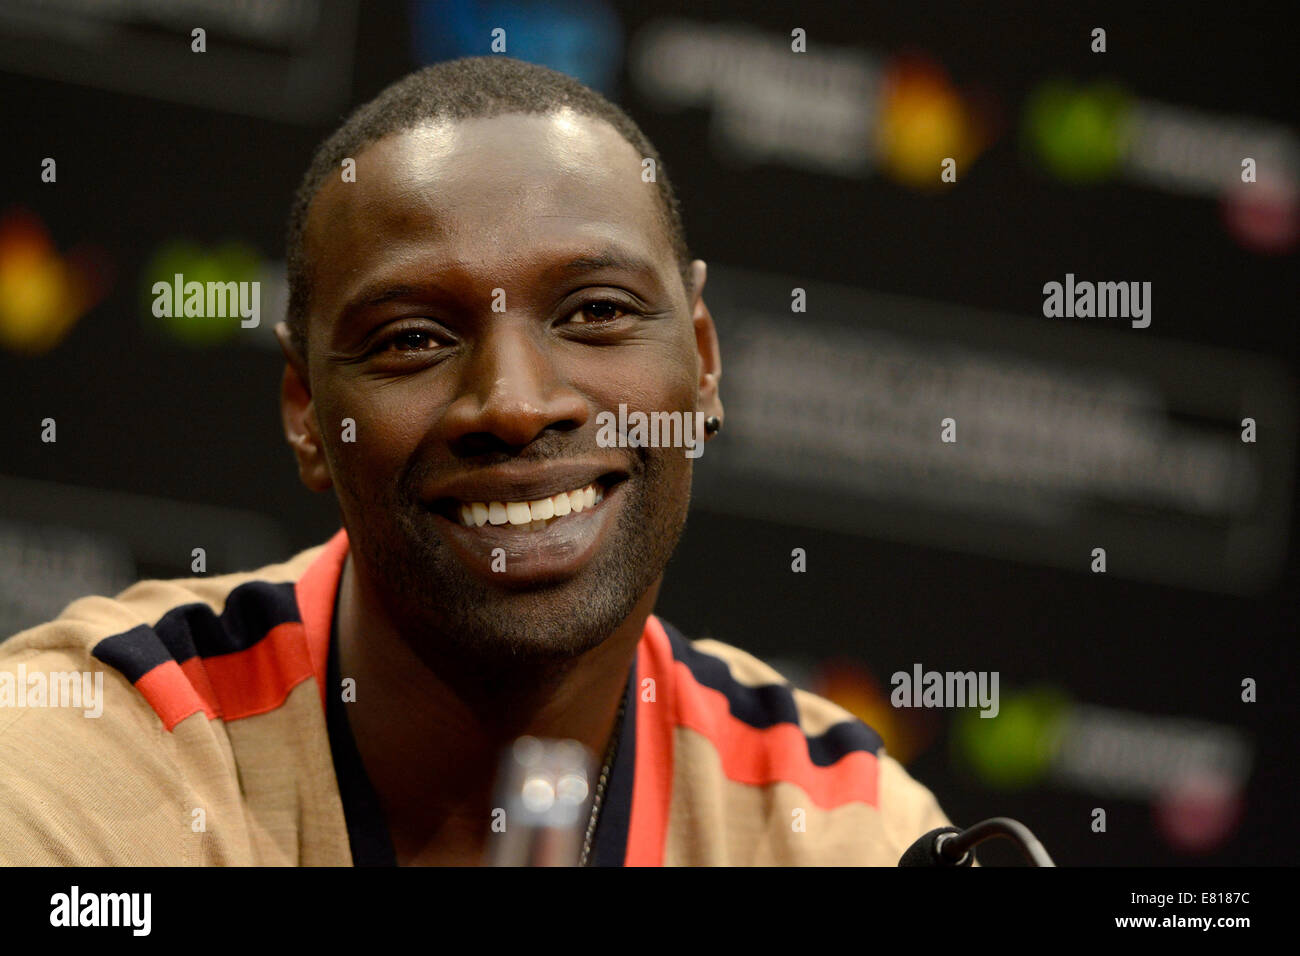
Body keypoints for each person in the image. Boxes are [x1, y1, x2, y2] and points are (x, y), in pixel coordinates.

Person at [0, 56, 958, 865]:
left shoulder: (843, 829)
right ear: (305, 412)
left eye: (596, 313)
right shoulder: (76, 765)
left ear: (702, 364)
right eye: (414, 339)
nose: (514, 403)